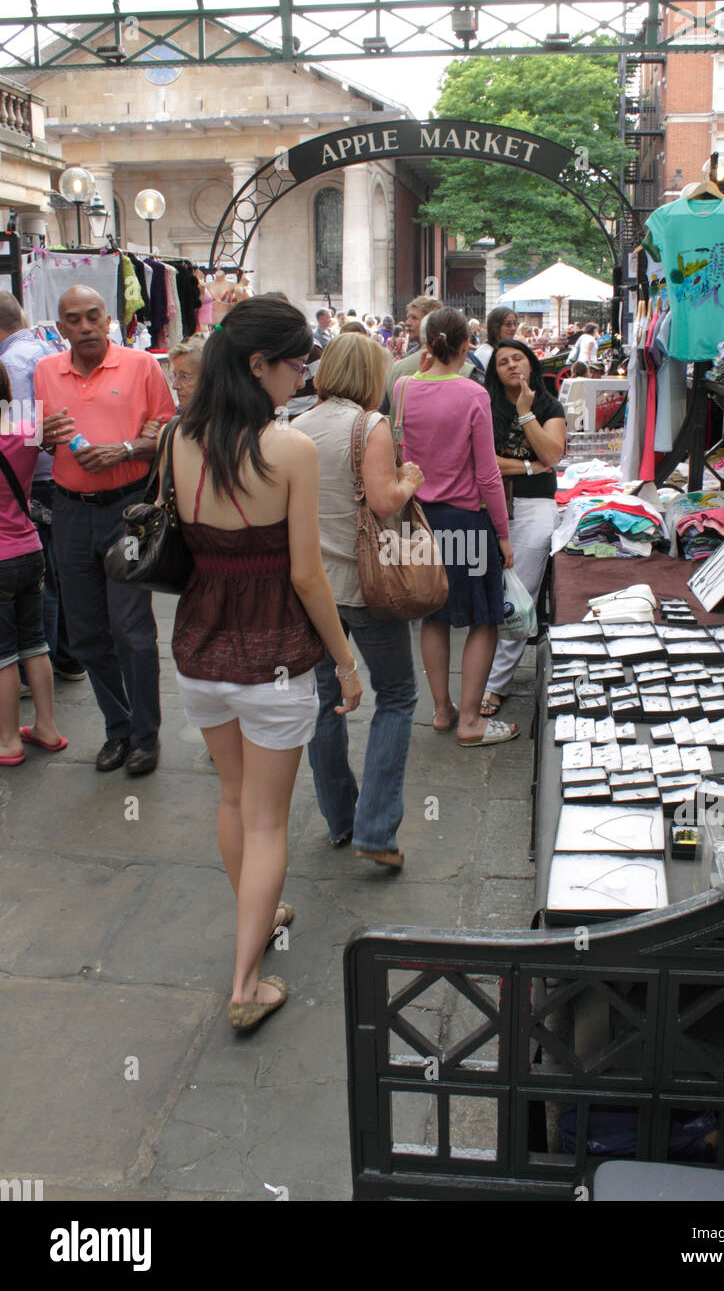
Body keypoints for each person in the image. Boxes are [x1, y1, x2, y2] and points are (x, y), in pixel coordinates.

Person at [170, 296, 363, 1029]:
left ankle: (258, 910)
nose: (302, 376)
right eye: (296, 363)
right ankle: (246, 983)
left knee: (232, 800)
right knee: (267, 823)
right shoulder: (290, 449)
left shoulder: (178, 437)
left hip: (199, 647)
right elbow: (308, 576)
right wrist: (345, 659)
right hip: (274, 654)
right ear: (259, 365)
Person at [293, 332, 424, 868]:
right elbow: (384, 500)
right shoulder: (370, 425)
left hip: (311, 588)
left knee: (323, 700)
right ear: (372, 375)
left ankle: (340, 819)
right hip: (368, 585)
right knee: (397, 695)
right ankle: (376, 829)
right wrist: (409, 479)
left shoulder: (296, 424)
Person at [34, 286, 176, 775]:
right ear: (61, 328)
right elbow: (37, 437)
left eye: (93, 316)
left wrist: (125, 449)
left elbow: (168, 432)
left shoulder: (141, 365)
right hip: (70, 512)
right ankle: (118, 728)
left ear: (109, 320)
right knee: (86, 631)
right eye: (74, 319)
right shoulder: (45, 370)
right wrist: (43, 436)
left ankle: (146, 735)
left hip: (127, 512)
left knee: (131, 629)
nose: (86, 327)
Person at [394, 308, 518, 748]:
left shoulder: (403, 388)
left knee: (434, 617)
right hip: (466, 520)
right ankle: (470, 719)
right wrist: (503, 534)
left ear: (427, 344)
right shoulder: (472, 394)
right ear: (467, 345)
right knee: (483, 619)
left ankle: (442, 710)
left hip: (419, 521)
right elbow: (487, 474)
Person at [0, 290, 84, 685]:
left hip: (31, 483)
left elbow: (14, 432)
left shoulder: (11, 362)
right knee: (53, 577)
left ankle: (37, 666)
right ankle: (65, 658)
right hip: (49, 477)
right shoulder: (44, 349)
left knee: (43, 584)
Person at [480, 339, 566, 717]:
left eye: (518, 358)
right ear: (495, 372)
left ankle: (495, 684)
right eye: (503, 362)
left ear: (531, 364)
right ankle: (480, 674)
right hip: (489, 506)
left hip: (535, 508)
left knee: (520, 595)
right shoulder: (485, 406)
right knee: (486, 594)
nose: (512, 365)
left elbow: (552, 454)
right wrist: (530, 466)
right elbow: (483, 461)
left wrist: (526, 414)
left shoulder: (549, 407)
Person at [0, 358, 66, 763]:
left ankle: (8, 739)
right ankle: (47, 727)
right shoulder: (26, 432)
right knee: (35, 642)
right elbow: (55, 432)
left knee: (3, 654)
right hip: (30, 549)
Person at [386, 294, 442, 406]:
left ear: (431, 322)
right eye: (408, 317)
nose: (407, 322)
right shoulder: (410, 353)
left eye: (414, 318)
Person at [471, 306, 519, 372]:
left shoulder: (508, 349)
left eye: (515, 324)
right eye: (508, 324)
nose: (513, 328)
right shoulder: (485, 353)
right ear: (496, 327)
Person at [168, 334, 206, 412]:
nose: (175, 386)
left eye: (184, 377)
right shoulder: (180, 417)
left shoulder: (225, 418)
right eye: (174, 376)